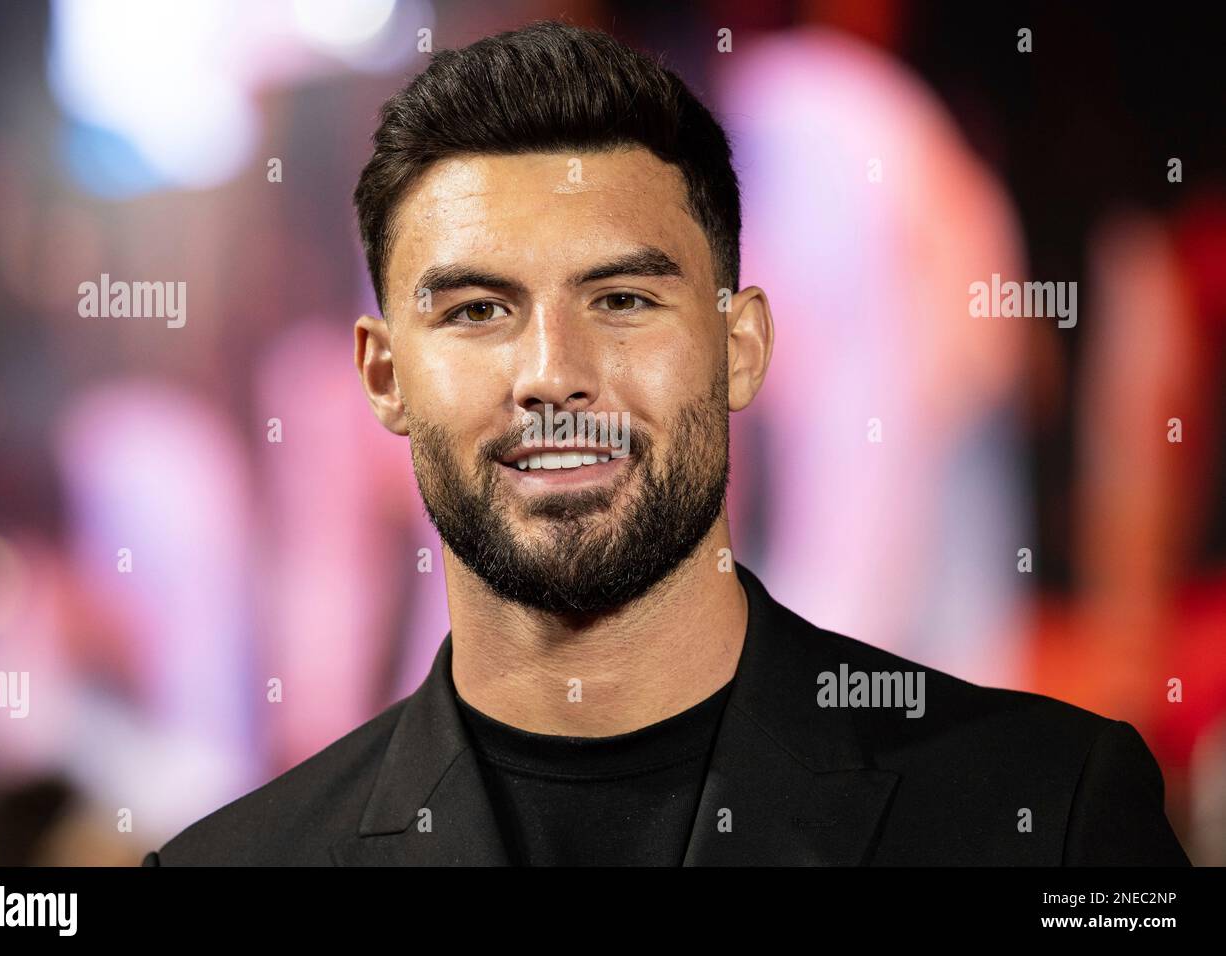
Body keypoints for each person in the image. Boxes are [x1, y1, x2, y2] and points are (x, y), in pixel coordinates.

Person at [143, 20, 1189, 866]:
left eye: (623, 297)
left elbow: (878, 496)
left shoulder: (1050, 813)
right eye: (475, 310)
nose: (550, 370)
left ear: (742, 343)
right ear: (382, 371)